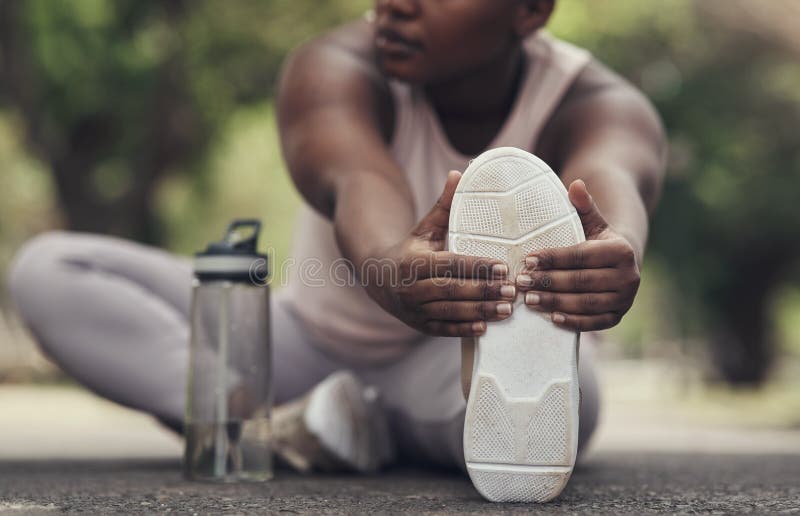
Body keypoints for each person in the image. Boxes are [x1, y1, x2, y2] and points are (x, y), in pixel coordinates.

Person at [6, 0, 664, 501]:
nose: (396, 2)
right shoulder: (332, 67)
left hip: (450, 362)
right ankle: (292, 425)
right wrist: (391, 262)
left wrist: (615, 253)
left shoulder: (602, 103)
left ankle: (351, 431)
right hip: (300, 350)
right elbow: (359, 180)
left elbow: (612, 188)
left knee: (573, 393)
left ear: (529, 10)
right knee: (51, 271)